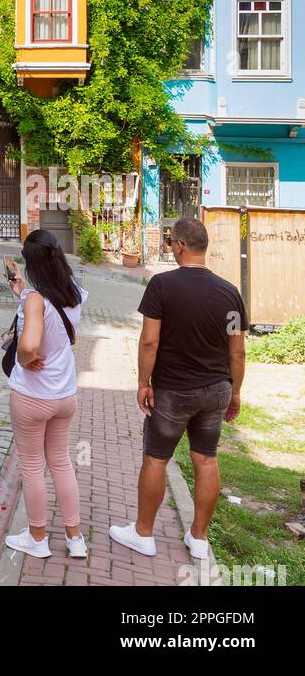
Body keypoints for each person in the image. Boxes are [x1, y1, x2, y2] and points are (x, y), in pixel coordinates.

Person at [110, 217, 246, 561]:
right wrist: (237, 391)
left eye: (172, 242)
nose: (170, 247)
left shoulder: (162, 285)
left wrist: (143, 382)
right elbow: (238, 350)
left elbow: (149, 341)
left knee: (156, 459)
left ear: (181, 245)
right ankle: (199, 539)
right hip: (216, 390)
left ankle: (143, 534)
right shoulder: (230, 292)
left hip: (173, 392)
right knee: (206, 459)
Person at [4, 228, 88, 560]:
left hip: (33, 397)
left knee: (32, 465)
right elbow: (50, 313)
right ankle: (75, 537)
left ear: (31, 264)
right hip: (64, 394)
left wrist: (25, 357)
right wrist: (23, 295)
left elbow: (28, 343)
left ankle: (37, 538)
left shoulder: (35, 300)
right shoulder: (75, 292)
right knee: (61, 462)